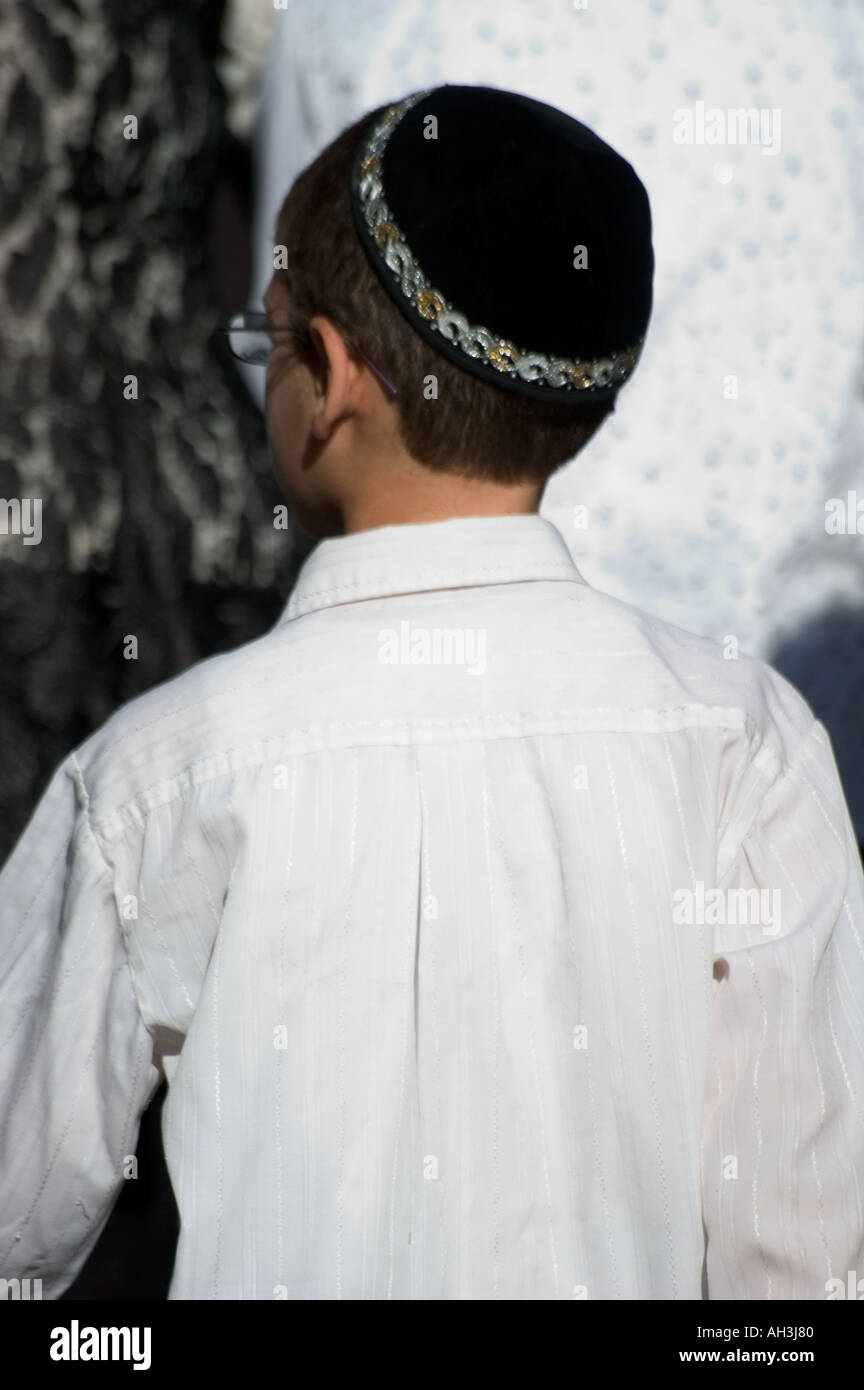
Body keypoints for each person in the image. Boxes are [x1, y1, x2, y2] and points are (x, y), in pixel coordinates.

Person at [1, 84, 862, 1301]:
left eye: (268, 338)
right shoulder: (748, 748)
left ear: (329, 374)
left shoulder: (158, 773)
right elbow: (805, 1263)